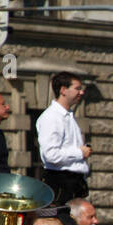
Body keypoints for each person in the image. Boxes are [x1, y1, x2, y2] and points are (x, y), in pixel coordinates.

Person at [36, 72, 91, 204]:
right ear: (63, 90)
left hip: (74, 182)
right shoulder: (52, 117)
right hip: (61, 182)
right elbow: (50, 155)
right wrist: (79, 153)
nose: (81, 92)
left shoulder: (68, 116)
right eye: (77, 88)